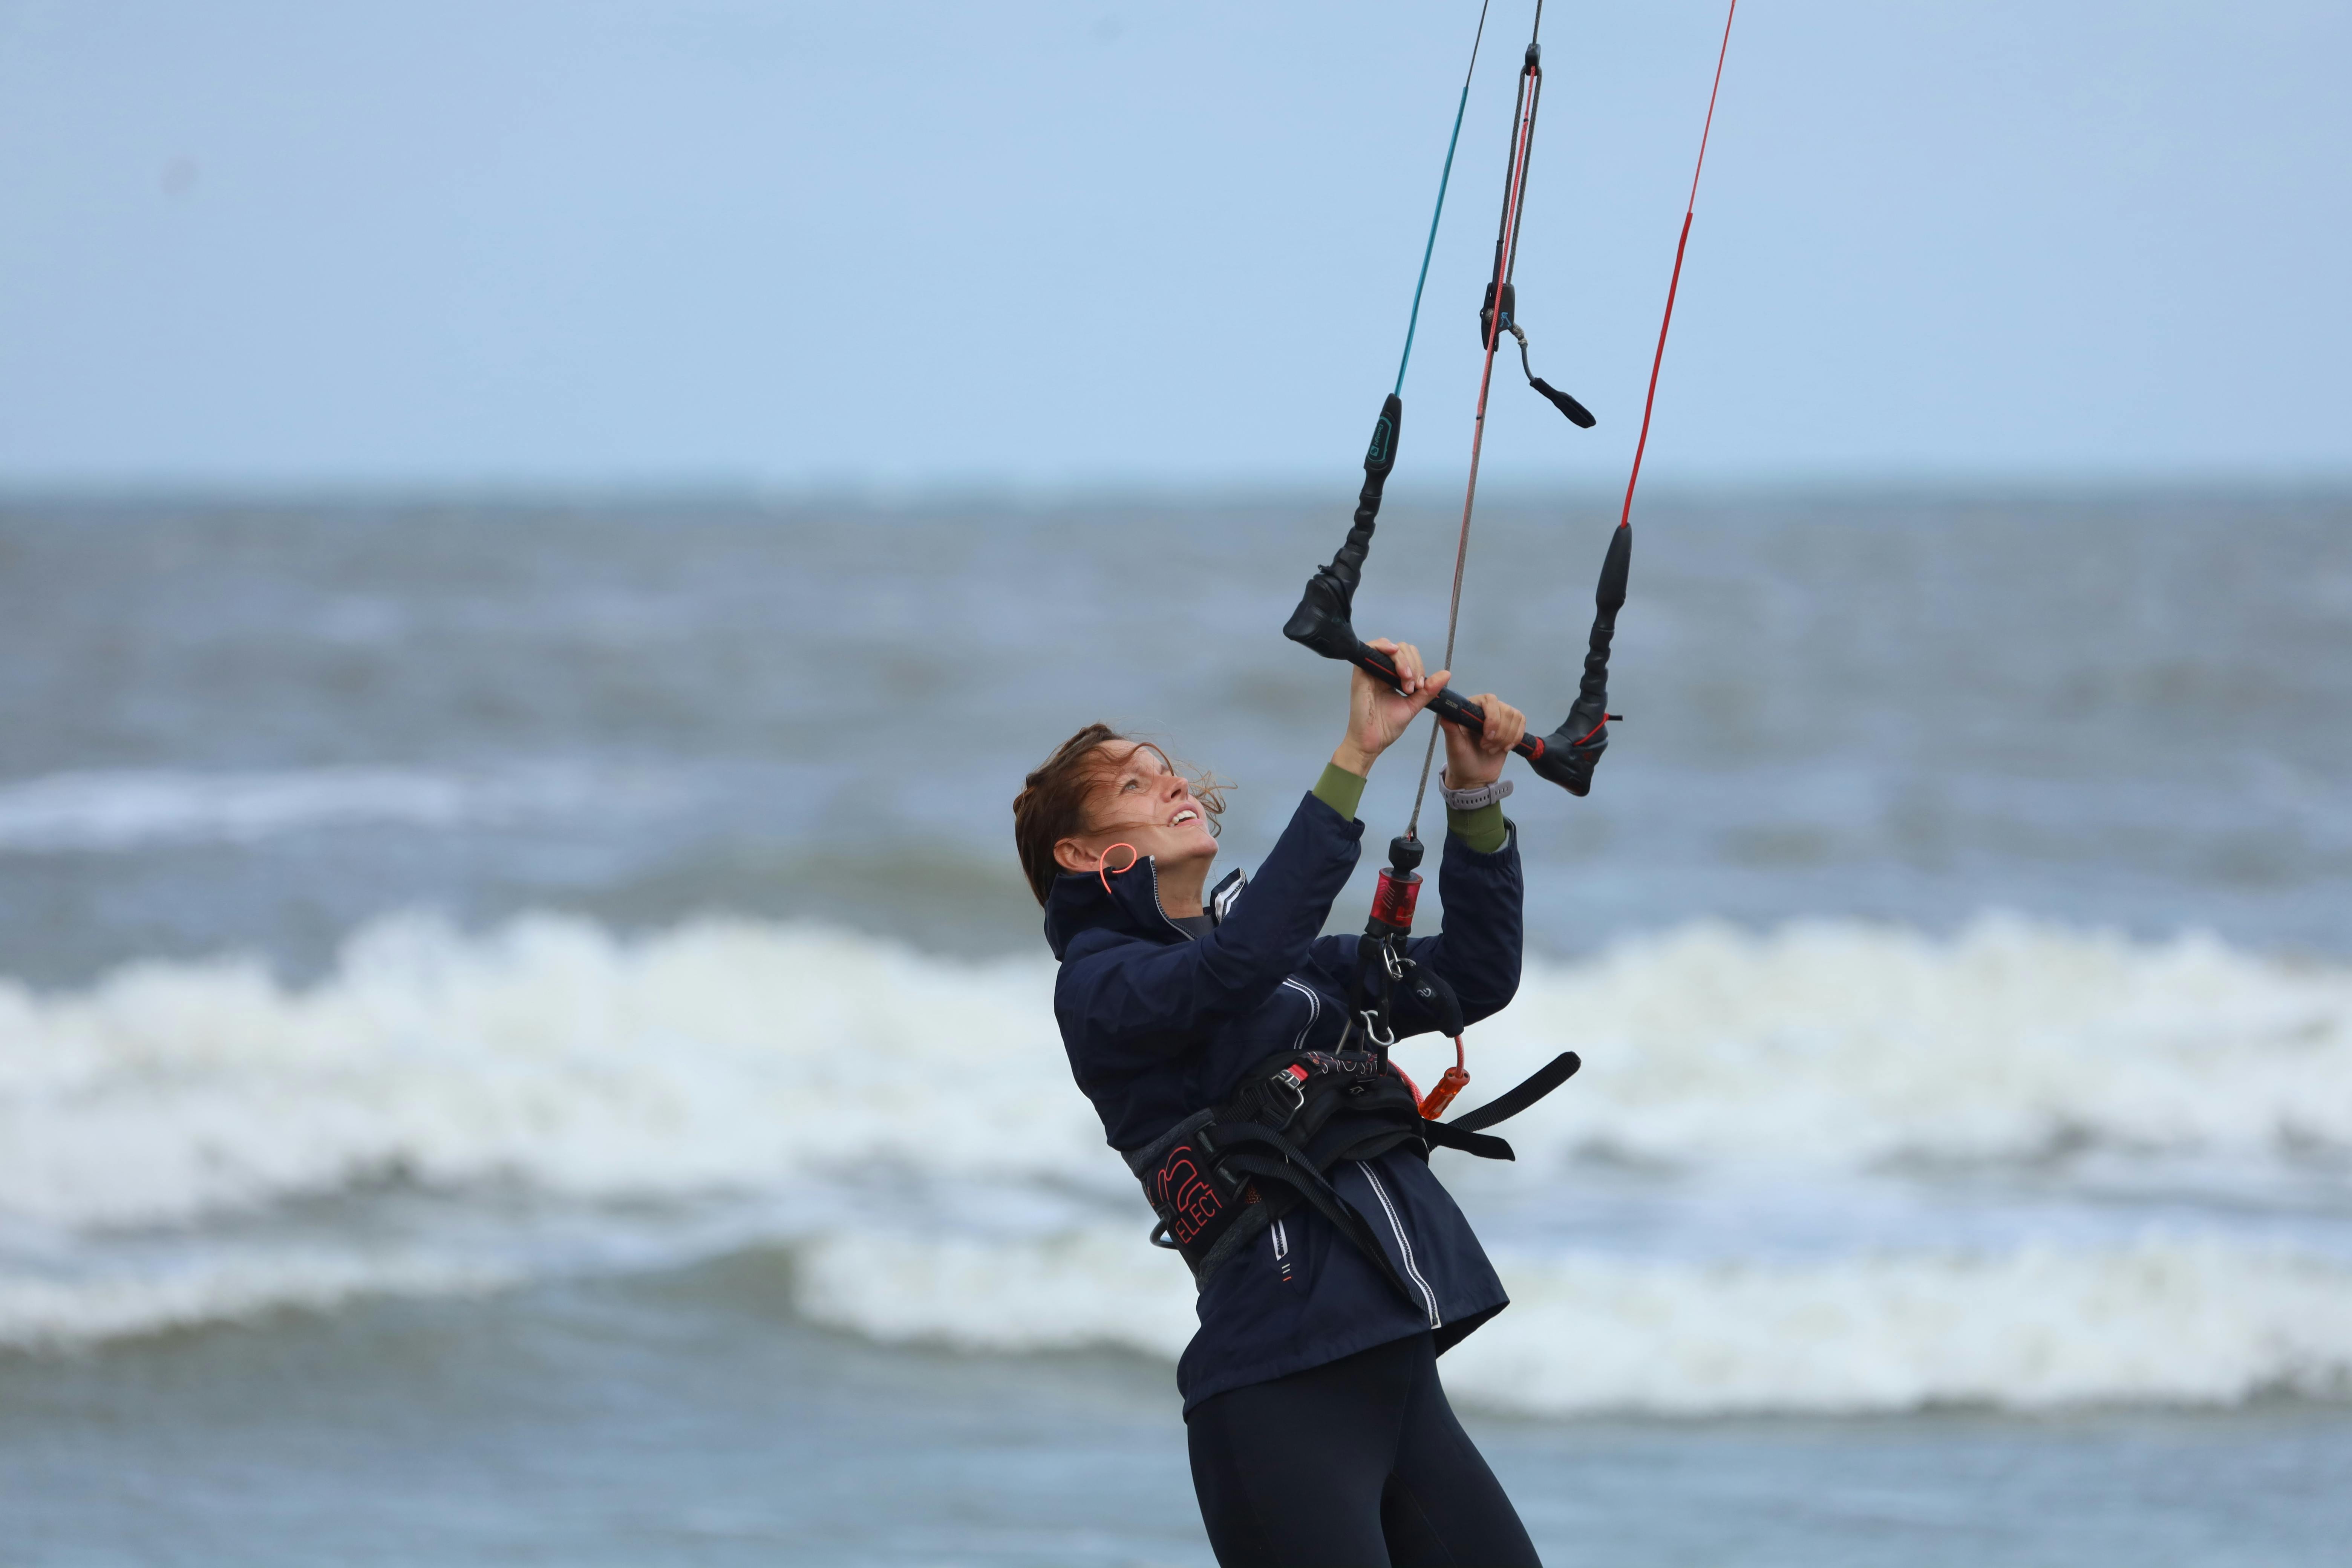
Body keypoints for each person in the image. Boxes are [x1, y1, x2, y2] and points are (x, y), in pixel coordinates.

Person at [1012, 638, 1544, 1568]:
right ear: (1085, 853)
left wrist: (1474, 796)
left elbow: (1473, 975)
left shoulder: (1295, 969)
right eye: (1135, 784)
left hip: (1402, 1381)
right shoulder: (1100, 987)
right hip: (1276, 1401)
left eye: (1168, 770)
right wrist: (1356, 755)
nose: (1172, 783)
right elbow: (1234, 966)